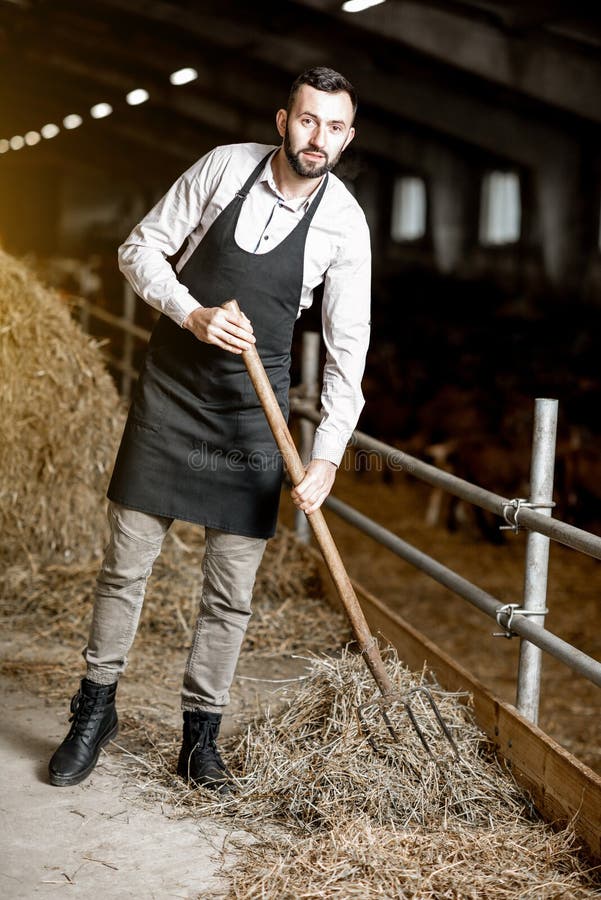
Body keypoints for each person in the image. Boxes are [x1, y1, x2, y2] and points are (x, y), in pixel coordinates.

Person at [48, 66, 371, 793]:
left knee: (230, 591)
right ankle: (94, 712)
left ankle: (201, 738)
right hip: (172, 394)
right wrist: (189, 311)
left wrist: (325, 458)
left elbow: (348, 352)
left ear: (348, 138)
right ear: (283, 118)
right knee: (125, 567)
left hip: (254, 419)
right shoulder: (224, 168)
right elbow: (138, 250)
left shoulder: (345, 224)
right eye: (308, 119)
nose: (318, 137)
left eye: (335, 126)